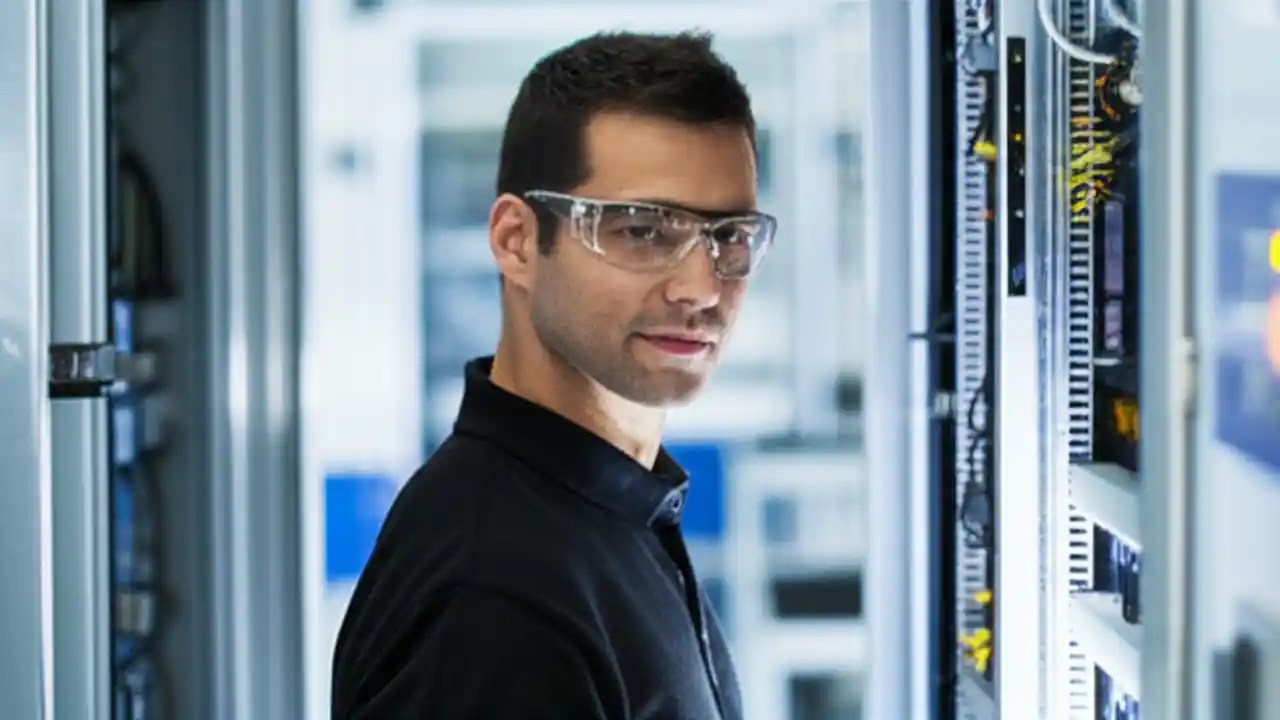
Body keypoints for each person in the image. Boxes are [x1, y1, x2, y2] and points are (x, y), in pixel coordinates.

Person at [331, 30, 775, 719]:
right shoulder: (491, 599)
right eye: (641, 229)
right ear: (516, 242)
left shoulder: (611, 516)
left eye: (729, 236)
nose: (701, 287)